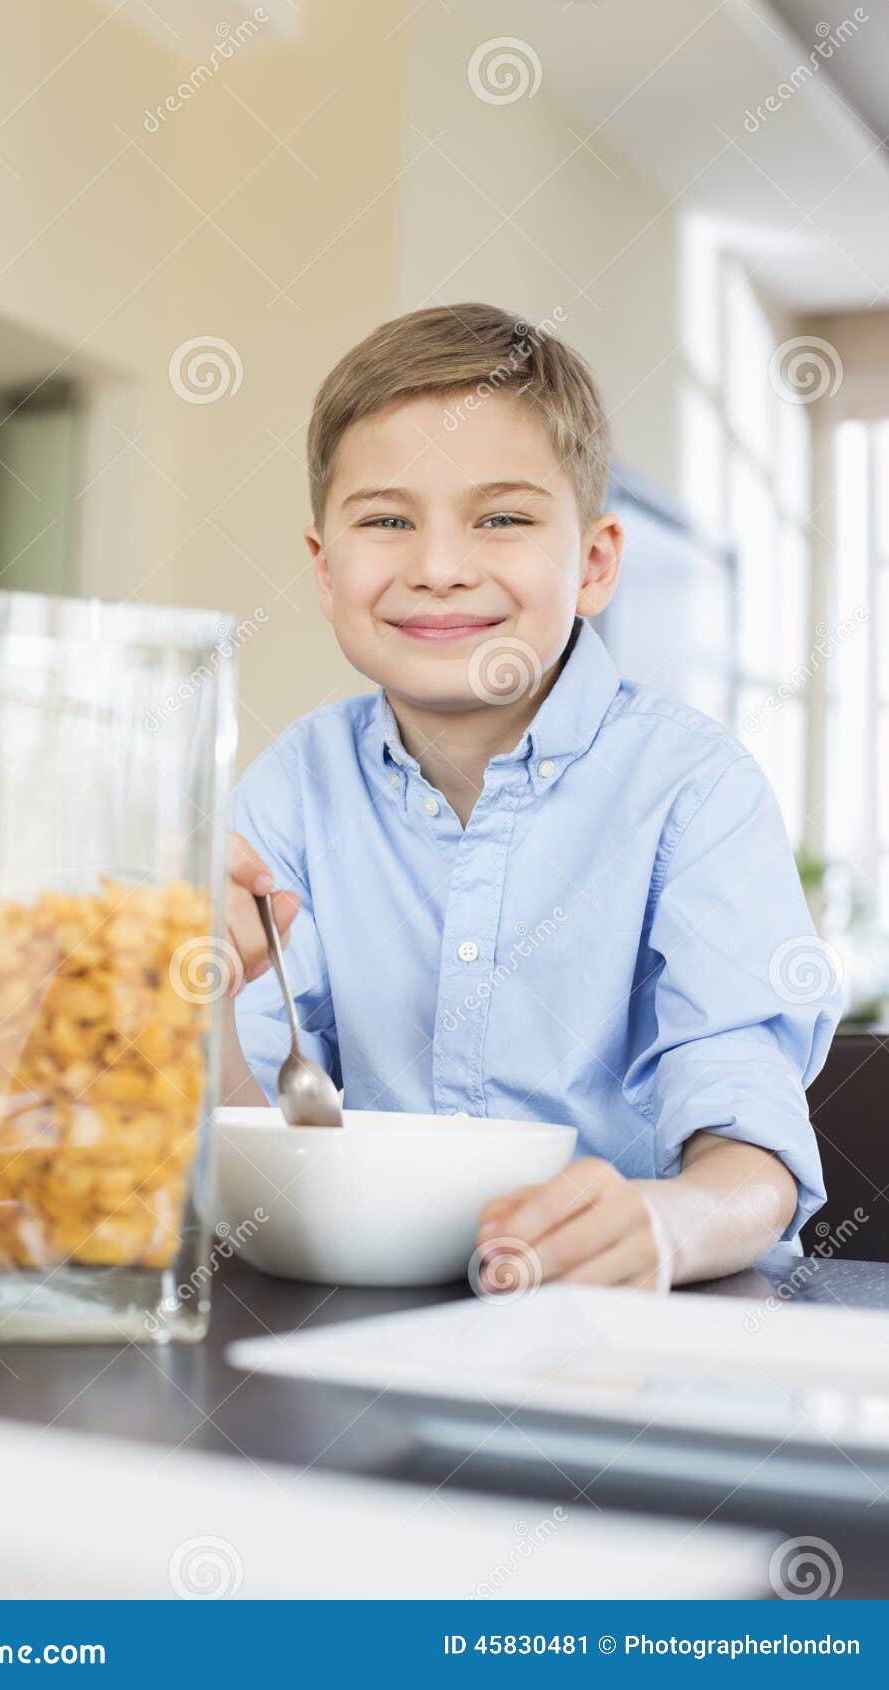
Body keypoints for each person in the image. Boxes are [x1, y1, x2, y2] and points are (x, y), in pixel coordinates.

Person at [219, 302, 839, 1292]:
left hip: (629, 1342)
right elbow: (262, 1128)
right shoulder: (288, 791)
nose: (437, 568)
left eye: (501, 519)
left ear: (592, 563)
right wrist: (207, 1000)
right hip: (363, 1323)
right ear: (325, 566)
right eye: (386, 520)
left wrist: (662, 1224)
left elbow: (748, 1154)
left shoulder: (692, 791)